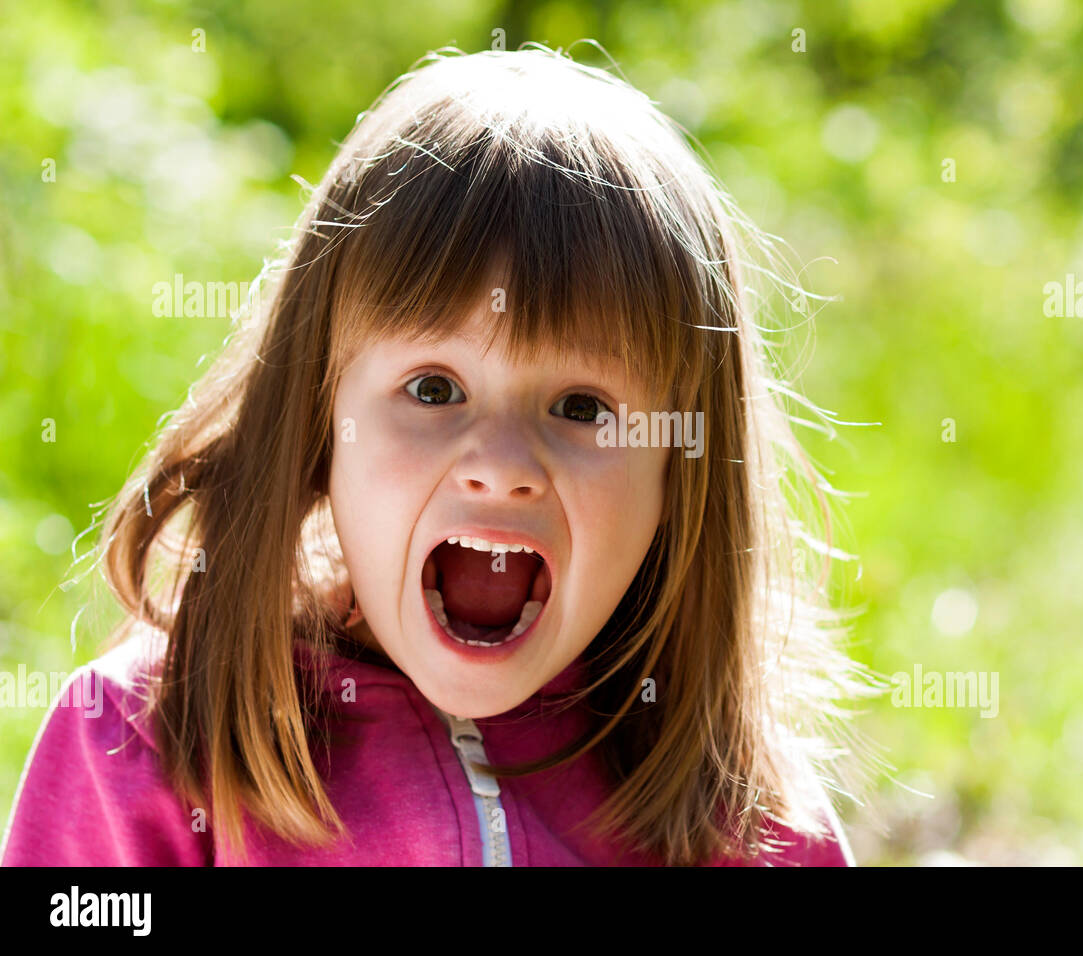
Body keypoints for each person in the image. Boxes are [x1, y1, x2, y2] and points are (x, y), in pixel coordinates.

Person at [1, 46, 875, 866]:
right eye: (432, 390)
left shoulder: (747, 824)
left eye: (581, 408)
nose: (498, 464)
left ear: (678, 478)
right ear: (314, 416)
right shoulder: (144, 749)